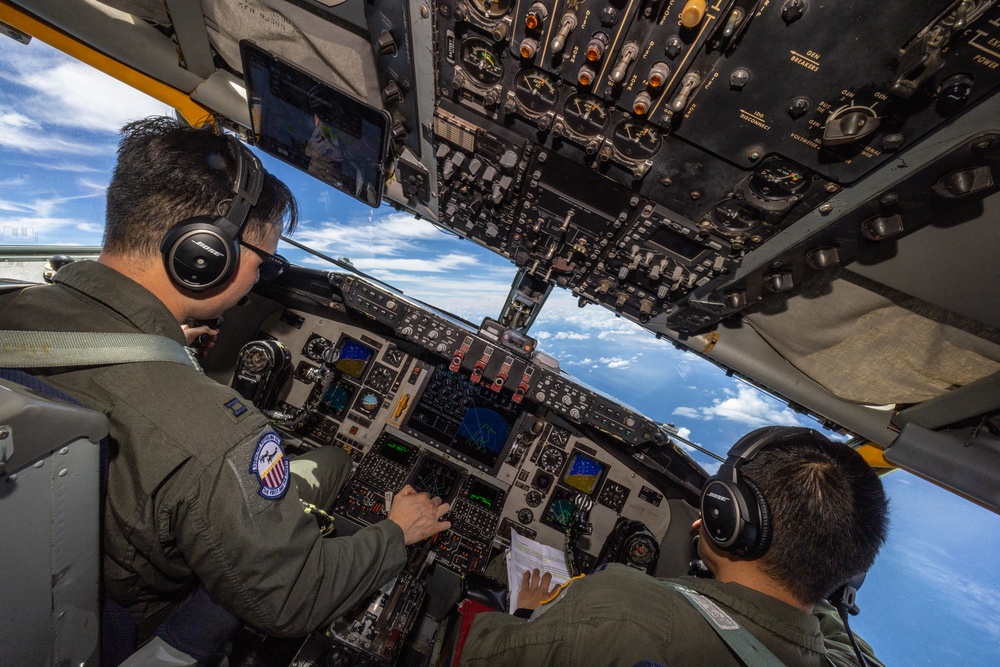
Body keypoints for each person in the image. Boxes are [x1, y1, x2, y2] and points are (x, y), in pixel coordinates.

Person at [0, 117, 450, 648]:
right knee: (332, 461)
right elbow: (294, 597)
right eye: (266, 262)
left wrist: (168, 345)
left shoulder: (11, 303)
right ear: (205, 254)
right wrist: (397, 531)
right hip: (124, 625)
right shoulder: (220, 437)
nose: (263, 278)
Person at [460, 426, 890, 667]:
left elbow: (484, 655)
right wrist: (818, 567)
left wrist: (525, 612)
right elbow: (824, 621)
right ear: (851, 572)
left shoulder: (618, 610)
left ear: (728, 521)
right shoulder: (851, 661)